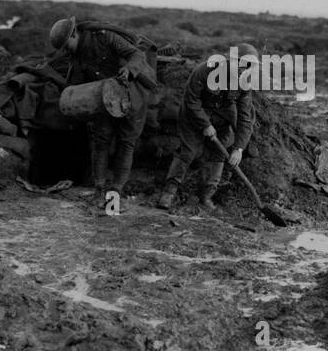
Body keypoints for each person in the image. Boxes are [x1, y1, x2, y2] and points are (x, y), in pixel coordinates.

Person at [46, 16, 152, 202]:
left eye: (66, 45)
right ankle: (99, 189)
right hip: (102, 98)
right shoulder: (75, 55)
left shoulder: (105, 37)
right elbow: (76, 81)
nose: (66, 50)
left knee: (126, 142)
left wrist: (129, 70)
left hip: (131, 92)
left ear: (73, 35)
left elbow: (137, 55)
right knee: (100, 141)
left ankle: (116, 191)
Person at [157, 43, 259, 211]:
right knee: (188, 152)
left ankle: (206, 196)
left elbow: (245, 118)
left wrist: (239, 148)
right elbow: (191, 100)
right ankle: (169, 192)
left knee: (220, 152)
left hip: (222, 117)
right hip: (193, 114)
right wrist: (205, 124)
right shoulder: (206, 70)